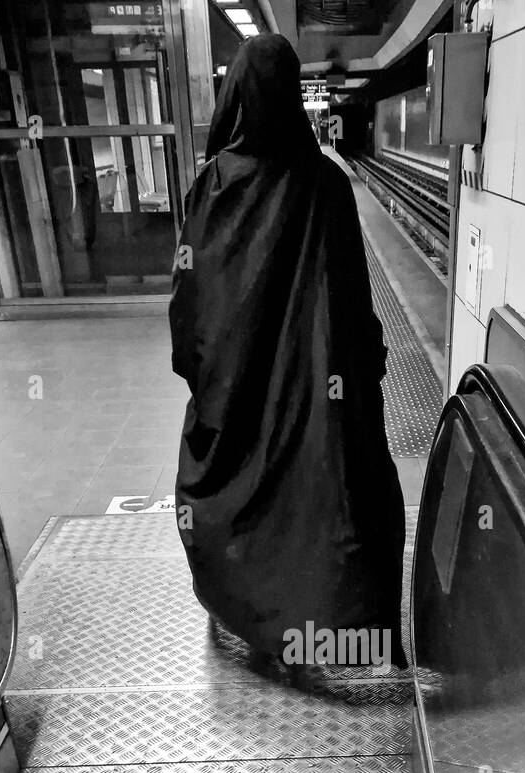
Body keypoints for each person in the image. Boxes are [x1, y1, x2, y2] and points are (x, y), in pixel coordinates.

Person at [168, 33, 407, 675]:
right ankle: (339, 632)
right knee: (328, 494)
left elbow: (192, 305)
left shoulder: (210, 189)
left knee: (236, 493)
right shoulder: (326, 187)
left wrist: (209, 372)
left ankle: (248, 614)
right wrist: (364, 367)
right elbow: (352, 302)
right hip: (316, 395)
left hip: (235, 392)